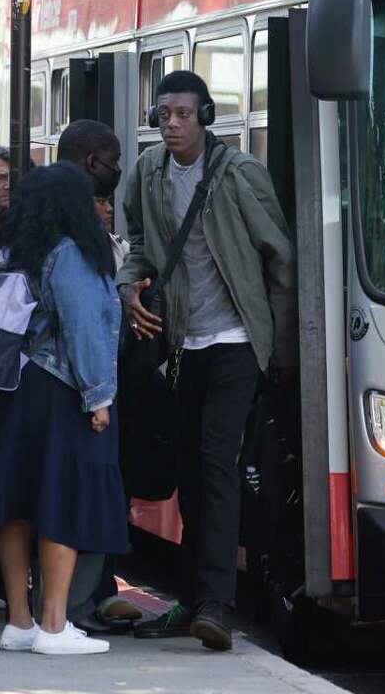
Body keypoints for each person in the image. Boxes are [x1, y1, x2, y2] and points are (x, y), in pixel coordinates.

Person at [123, 70, 296, 652]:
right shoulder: (147, 173)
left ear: (205, 118)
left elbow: (280, 259)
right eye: (162, 114)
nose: (170, 124)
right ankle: (197, 597)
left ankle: (218, 605)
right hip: (182, 344)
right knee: (191, 472)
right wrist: (130, 290)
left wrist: (282, 350)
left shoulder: (240, 174)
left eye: (181, 114)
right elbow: (140, 248)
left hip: (236, 341)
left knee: (218, 463)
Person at [0, 164, 126, 657]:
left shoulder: (10, 247)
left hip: (12, 386)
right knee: (60, 500)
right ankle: (54, 625)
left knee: (17, 504)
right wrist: (98, 395)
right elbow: (83, 327)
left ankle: (19, 622)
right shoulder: (72, 254)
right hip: (60, 389)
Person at [52, 120, 136, 635]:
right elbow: (84, 324)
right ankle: (68, 614)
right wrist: (99, 397)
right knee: (84, 499)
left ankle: (61, 611)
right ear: (91, 165)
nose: (118, 172)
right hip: (81, 392)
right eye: (113, 160)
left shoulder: (42, 223)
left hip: (56, 387)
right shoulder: (77, 243)